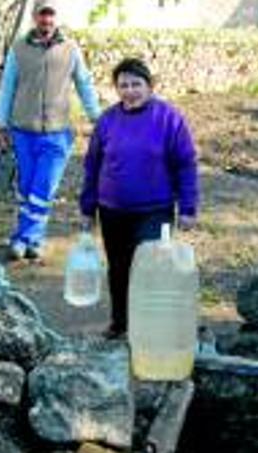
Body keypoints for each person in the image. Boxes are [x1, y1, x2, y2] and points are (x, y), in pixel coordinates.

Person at [79, 58, 199, 338]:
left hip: (154, 211)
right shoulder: (107, 121)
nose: (129, 91)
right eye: (123, 85)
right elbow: (92, 165)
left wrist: (188, 207)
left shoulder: (169, 119)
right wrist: (87, 207)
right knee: (118, 269)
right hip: (112, 210)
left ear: (149, 86)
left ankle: (150, 329)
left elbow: (186, 163)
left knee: (150, 270)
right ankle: (120, 323)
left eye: (136, 84)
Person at [0, 0, 100, 261]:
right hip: (23, 131)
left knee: (43, 188)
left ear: (57, 18)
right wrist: (1, 123)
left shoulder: (70, 48)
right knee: (26, 187)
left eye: (51, 15)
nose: (47, 20)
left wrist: (98, 117)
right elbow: (7, 87)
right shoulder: (18, 49)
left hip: (57, 133)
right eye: (42, 15)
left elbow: (84, 84)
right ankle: (27, 238)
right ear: (34, 17)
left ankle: (28, 238)